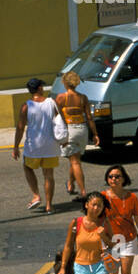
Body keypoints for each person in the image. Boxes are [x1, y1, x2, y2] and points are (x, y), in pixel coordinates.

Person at [12, 78, 64, 215]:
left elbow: (20, 128)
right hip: (51, 145)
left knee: (27, 167)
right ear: (40, 88)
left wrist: (15, 146)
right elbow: (61, 122)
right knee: (49, 175)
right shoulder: (52, 102)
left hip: (34, 146)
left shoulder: (26, 106)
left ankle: (36, 195)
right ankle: (49, 206)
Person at [54, 71, 99, 200]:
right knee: (75, 159)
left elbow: (57, 116)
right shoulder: (83, 98)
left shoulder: (61, 98)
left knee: (75, 162)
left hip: (70, 130)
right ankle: (71, 184)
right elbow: (89, 117)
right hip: (82, 129)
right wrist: (95, 134)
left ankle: (83, 191)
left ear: (64, 82)